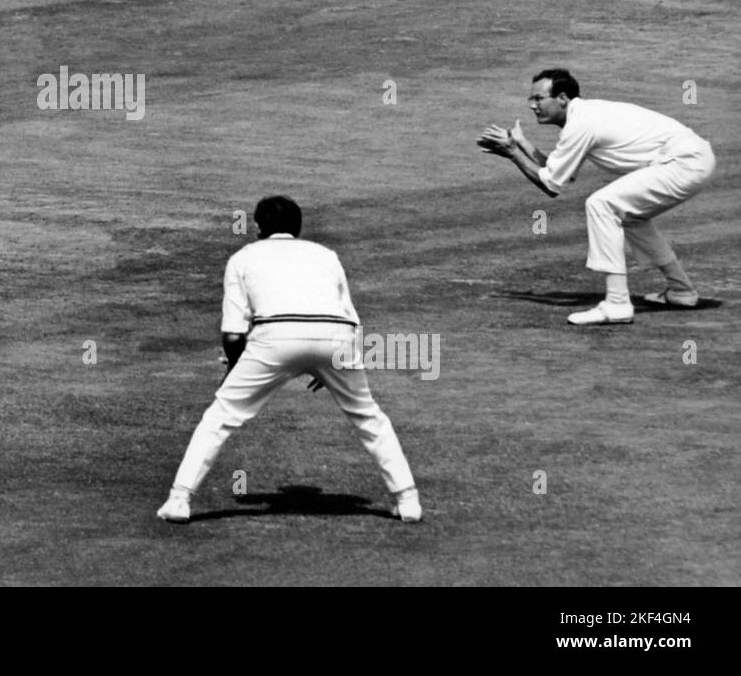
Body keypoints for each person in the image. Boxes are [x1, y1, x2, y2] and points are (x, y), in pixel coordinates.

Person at [156, 196, 422, 525]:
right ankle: (408, 500)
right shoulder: (326, 255)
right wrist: (332, 363)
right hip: (338, 336)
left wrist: (234, 372)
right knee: (370, 418)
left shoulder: (242, 258)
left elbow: (234, 335)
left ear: (257, 227)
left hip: (275, 337)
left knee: (220, 416)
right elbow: (350, 316)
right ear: (298, 227)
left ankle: (179, 500)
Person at [478, 68, 715, 325]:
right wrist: (521, 144)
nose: (533, 106)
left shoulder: (581, 123)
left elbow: (551, 186)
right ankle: (681, 291)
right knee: (630, 217)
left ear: (562, 98)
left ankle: (617, 304)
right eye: (531, 99)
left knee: (601, 204)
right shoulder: (583, 116)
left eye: (539, 98)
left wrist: (513, 153)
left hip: (683, 162)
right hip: (691, 159)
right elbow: (557, 173)